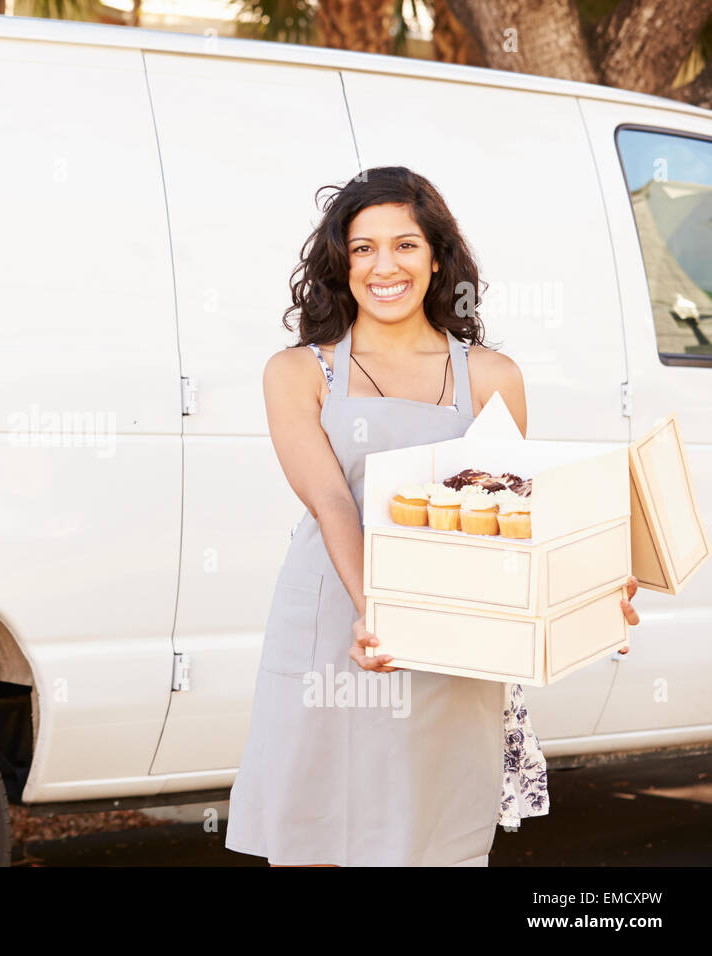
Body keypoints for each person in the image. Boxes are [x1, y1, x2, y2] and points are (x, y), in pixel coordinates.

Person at [223, 166, 641, 867]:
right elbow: (330, 501)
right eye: (362, 248)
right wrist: (377, 615)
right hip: (334, 618)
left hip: (454, 634)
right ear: (341, 262)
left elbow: (510, 512)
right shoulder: (298, 371)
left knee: (433, 839)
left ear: (438, 256)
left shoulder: (492, 375)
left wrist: (590, 592)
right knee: (317, 832)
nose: (384, 266)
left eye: (405, 245)